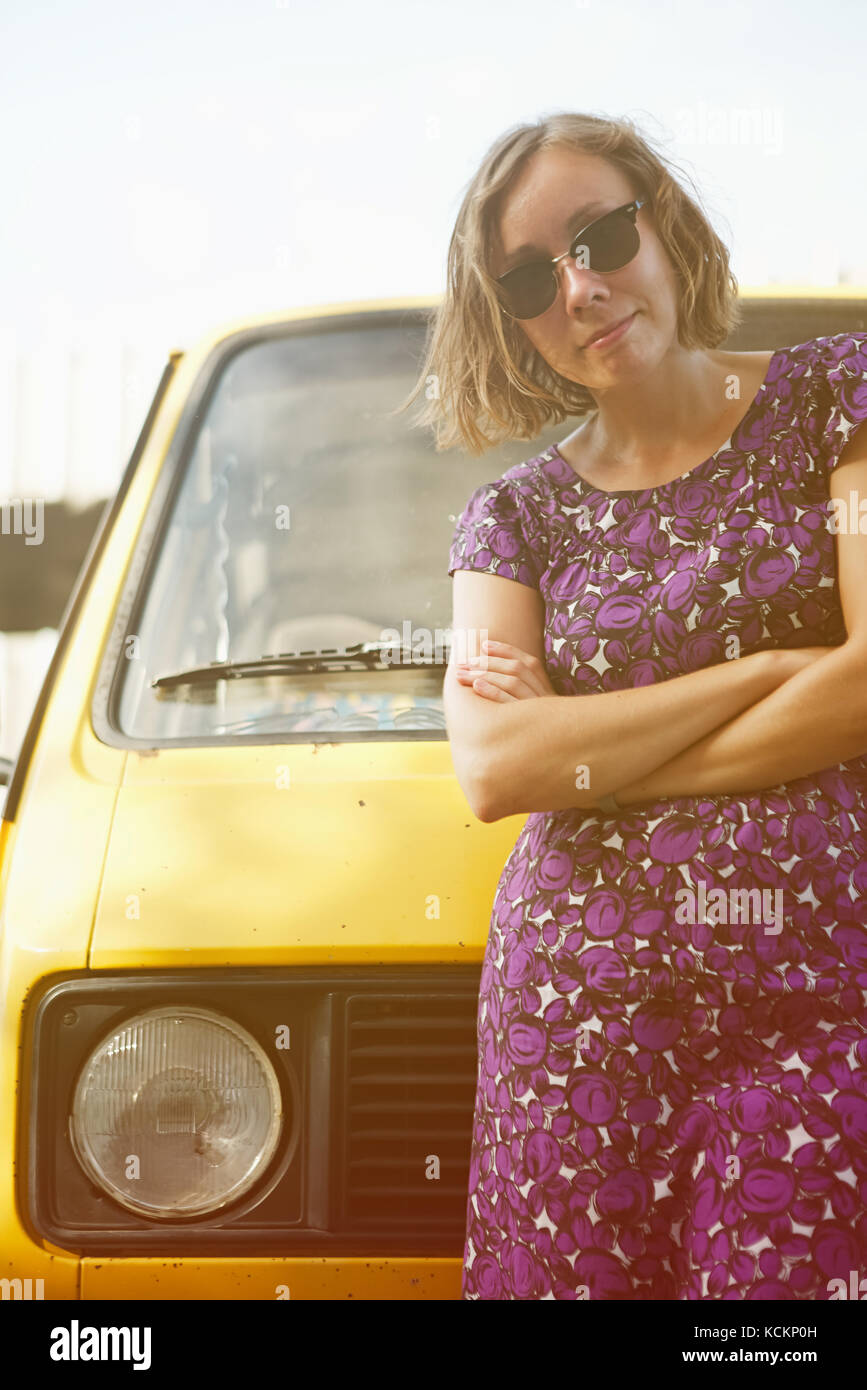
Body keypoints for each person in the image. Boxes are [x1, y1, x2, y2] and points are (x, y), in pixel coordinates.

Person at [404, 112, 867, 1300]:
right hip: (576, 1029)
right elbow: (499, 767)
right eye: (528, 276)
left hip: (819, 1009)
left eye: (602, 233)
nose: (583, 286)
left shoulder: (839, 402)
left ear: (662, 221)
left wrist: (601, 756)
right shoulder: (512, 519)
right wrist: (768, 673)